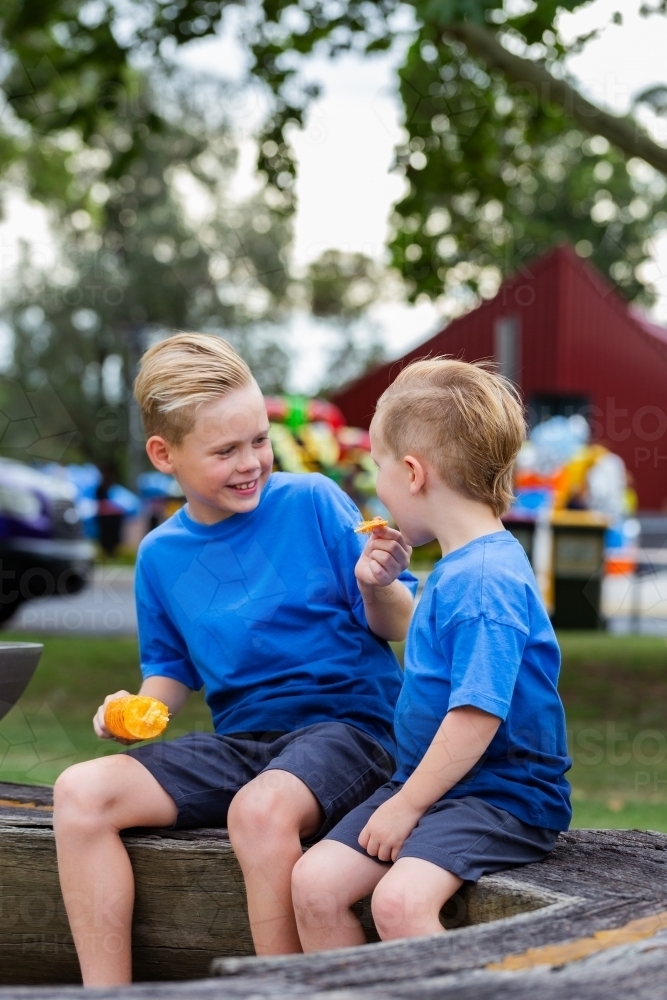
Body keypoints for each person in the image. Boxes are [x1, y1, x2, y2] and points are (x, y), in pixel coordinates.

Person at [53, 333, 417, 986]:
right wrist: (134, 712)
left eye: (257, 440)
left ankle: (277, 990)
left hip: (351, 731)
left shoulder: (311, 502)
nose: (251, 461)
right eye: (225, 450)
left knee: (259, 810)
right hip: (247, 744)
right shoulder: (160, 557)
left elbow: (397, 625)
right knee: (79, 792)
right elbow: (168, 676)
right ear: (165, 455)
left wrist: (377, 582)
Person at [291, 358, 572, 949]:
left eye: (379, 469)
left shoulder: (485, 580)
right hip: (429, 785)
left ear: (414, 473)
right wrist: (375, 586)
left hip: (500, 794)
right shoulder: (458, 566)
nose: (378, 489)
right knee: (315, 884)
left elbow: (476, 715)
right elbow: (432, 650)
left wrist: (404, 807)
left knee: (399, 902)